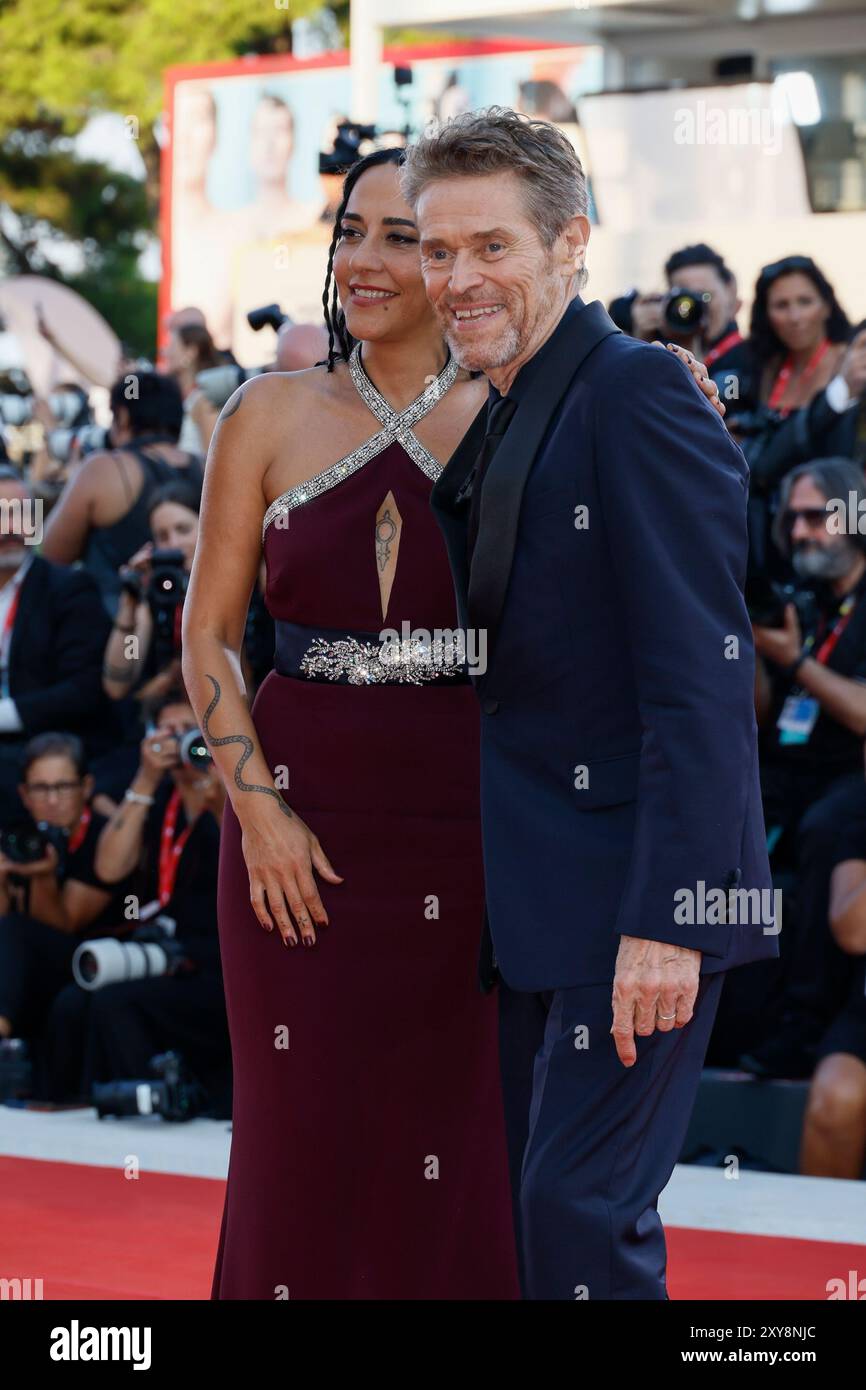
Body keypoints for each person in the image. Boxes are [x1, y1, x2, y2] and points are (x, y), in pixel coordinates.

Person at [180, 142, 725, 1301]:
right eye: (359, 233)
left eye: (409, 239)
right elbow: (208, 635)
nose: (376, 262)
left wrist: (656, 377)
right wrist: (258, 808)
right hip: (293, 826)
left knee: (477, 1146)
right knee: (299, 1132)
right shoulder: (265, 410)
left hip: (481, 827)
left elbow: (669, 648)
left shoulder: (540, 398)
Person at [401, 106, 779, 1300]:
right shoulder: (519, 399)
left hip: (634, 899)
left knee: (578, 1219)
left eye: (490, 247)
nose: (456, 277)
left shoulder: (631, 395)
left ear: (570, 244)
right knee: (539, 1220)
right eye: (435, 248)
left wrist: (670, 913)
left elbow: (701, 675)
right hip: (544, 899)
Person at [35, 689, 230, 1108]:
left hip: (219, 963)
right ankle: (74, 1104)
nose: (181, 743)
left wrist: (220, 807)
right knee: (75, 999)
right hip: (164, 954)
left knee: (116, 1003)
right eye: (168, 731)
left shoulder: (238, 792)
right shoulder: (159, 798)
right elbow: (109, 869)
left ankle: (152, 1102)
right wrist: (144, 779)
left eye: (190, 731)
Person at [741, 459, 866, 1079]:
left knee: (825, 827)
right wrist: (758, 652)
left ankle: (805, 1023)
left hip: (852, 774)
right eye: (791, 518)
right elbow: (764, 714)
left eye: (816, 517)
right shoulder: (800, 601)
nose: (799, 533)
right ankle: (731, 1013)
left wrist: (795, 663)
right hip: (782, 770)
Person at [0, 468, 117, 828]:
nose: (13, 527)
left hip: (40, 747)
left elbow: (83, 690)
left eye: (21, 512)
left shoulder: (68, 588)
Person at [40, 372, 204, 617]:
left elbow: (51, 555)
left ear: (124, 416)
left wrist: (75, 479)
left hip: (116, 632)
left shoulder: (103, 469)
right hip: (195, 626)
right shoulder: (205, 465)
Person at [0, 732, 125, 1053]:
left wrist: (42, 878)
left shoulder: (103, 836)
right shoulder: (16, 837)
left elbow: (64, 926)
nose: (52, 800)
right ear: (24, 795)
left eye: (63, 787)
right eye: (40, 788)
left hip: (97, 956)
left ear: (86, 787)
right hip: (25, 962)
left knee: (15, 930)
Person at [728, 255, 850, 576]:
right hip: (764, 532)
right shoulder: (764, 369)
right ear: (766, 314)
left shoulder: (849, 366)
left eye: (805, 301)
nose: (795, 316)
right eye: (781, 305)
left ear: (826, 305)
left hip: (829, 531)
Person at [163, 321, 221, 457]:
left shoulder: (204, 399)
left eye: (172, 346)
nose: (165, 352)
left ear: (191, 352)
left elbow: (212, 460)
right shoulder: (179, 395)